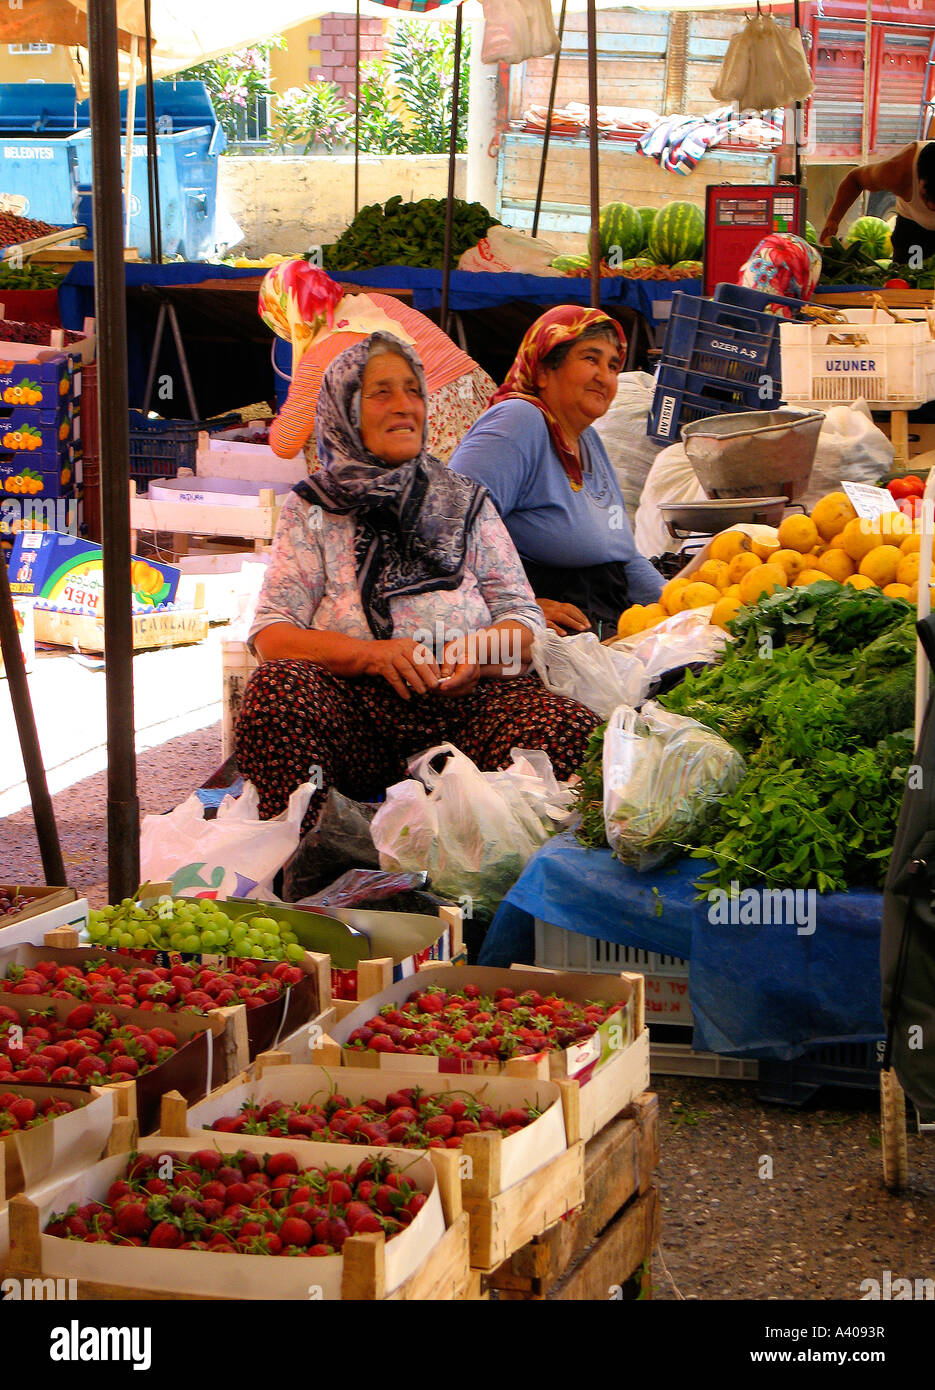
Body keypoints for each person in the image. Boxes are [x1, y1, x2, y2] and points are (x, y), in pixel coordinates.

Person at [235, 331, 602, 833]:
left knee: (572, 731)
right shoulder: (313, 507)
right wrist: (371, 655)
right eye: (381, 392)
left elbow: (523, 617)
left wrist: (480, 652)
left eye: (414, 390)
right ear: (345, 408)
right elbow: (272, 636)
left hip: (468, 708)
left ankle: (496, 880)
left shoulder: (464, 500)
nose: (405, 405)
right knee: (277, 693)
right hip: (355, 713)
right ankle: (318, 857)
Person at [448, 305, 664, 637]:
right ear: (544, 370)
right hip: (544, 641)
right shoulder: (518, 421)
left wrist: (677, 605)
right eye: (590, 359)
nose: (603, 376)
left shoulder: (587, 439)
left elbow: (623, 555)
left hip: (604, 625)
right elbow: (449, 530)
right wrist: (517, 608)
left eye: (612, 366)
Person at [260, 259, 495, 465]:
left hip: (431, 421)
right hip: (481, 403)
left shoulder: (320, 355)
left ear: (285, 318)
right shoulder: (378, 302)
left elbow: (286, 444)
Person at [820, 141, 935, 265]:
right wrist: (833, 220)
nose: (931, 206)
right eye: (926, 196)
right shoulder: (898, 172)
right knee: (911, 274)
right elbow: (855, 180)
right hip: (914, 229)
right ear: (916, 177)